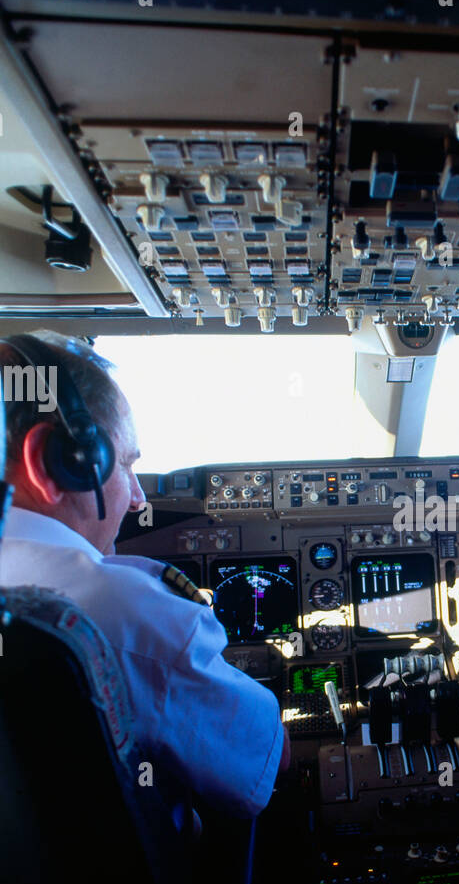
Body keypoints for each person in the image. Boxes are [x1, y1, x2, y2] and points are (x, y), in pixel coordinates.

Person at [0, 330, 290, 819]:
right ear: (54, 467)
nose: (138, 498)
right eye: (126, 465)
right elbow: (265, 760)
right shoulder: (121, 610)